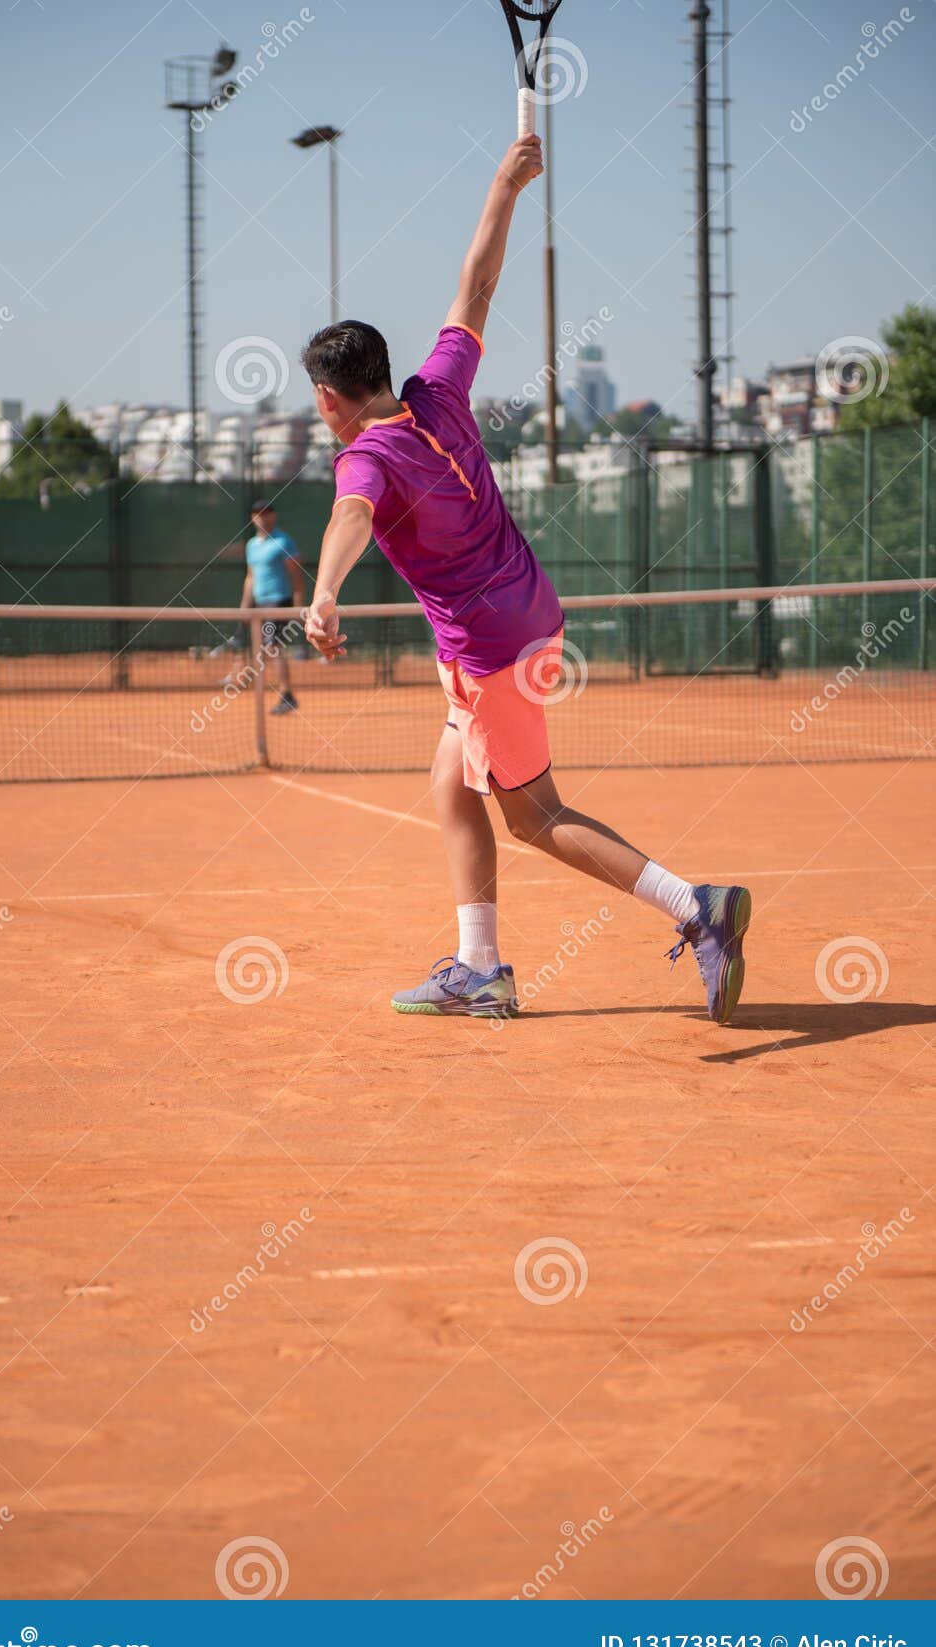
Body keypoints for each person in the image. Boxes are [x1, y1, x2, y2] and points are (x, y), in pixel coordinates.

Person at [301, 134, 750, 1024]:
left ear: (328, 399)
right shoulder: (438, 392)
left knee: (535, 815)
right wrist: (504, 186)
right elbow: (477, 285)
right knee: (450, 781)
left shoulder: (366, 457)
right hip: (535, 616)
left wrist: (322, 595)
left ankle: (697, 906)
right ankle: (481, 969)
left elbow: (350, 515)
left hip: (490, 649)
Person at [235, 502, 305, 714]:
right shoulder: (251, 546)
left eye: (266, 514)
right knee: (266, 649)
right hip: (259, 603)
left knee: (273, 647)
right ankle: (274, 691)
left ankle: (286, 694)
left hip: (279, 602)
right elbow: (250, 577)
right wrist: (245, 605)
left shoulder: (283, 542)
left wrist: (298, 606)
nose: (262, 518)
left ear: (273, 516)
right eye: (258, 514)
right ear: (252, 518)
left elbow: (296, 574)